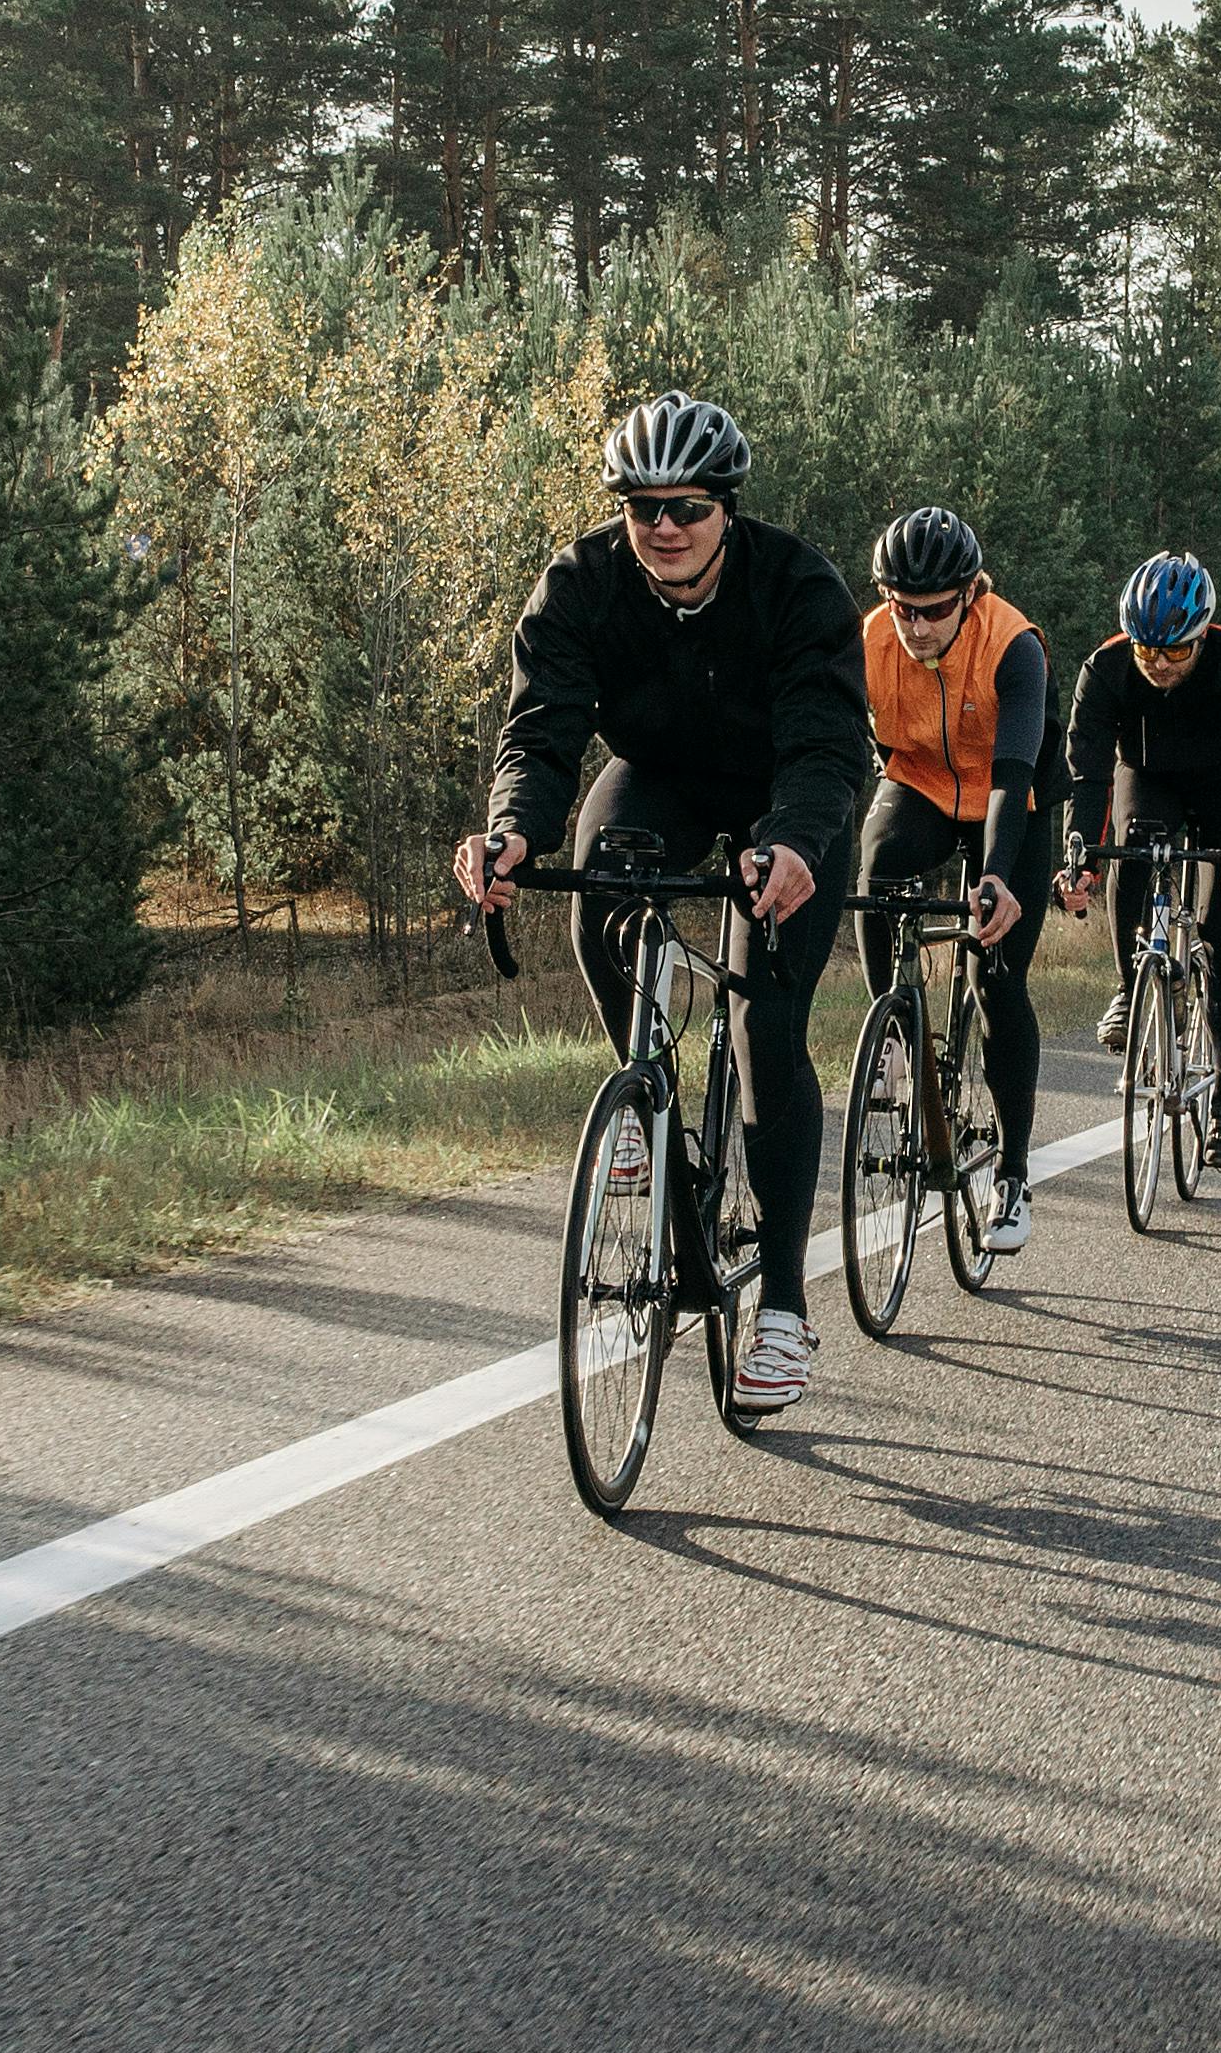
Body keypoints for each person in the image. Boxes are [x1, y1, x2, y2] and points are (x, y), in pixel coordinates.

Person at [451, 393, 875, 1408]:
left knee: (762, 1028)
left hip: (786, 795)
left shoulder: (799, 584)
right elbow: (542, 734)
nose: (665, 527)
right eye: (643, 508)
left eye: (687, 505)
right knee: (596, 887)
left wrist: (795, 843)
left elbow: (826, 744)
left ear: (726, 506)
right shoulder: (580, 585)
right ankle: (640, 1092)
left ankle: (780, 1306)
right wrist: (511, 830)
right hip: (662, 780)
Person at [851, 505, 1056, 1254]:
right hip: (924, 787)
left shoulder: (1013, 645)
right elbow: (834, 748)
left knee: (996, 976)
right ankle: (893, 1035)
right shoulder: (870, 641)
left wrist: (997, 879)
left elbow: (1010, 776)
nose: (915, 626)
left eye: (933, 610)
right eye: (900, 606)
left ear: (970, 593)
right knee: (875, 869)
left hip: (1014, 797)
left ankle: (1012, 1175)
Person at [1057, 549, 1221, 1170]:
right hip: (1145, 776)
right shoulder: (1104, 668)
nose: (1157, 664)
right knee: (1132, 840)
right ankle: (1132, 984)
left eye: (1175, 651)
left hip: (1218, 790)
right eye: (1146, 650)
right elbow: (1087, 777)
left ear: (1202, 636)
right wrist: (1077, 861)